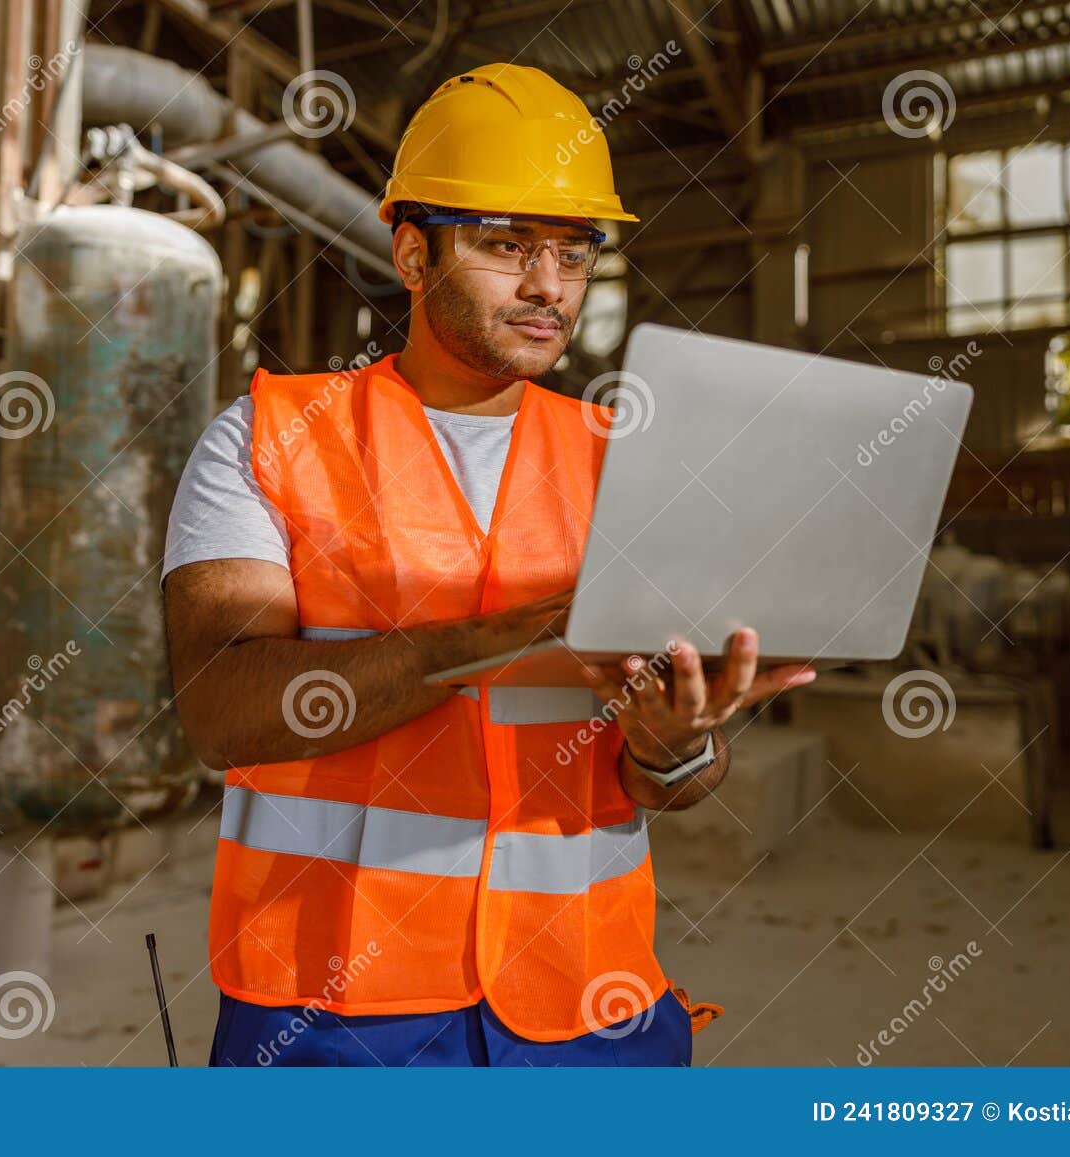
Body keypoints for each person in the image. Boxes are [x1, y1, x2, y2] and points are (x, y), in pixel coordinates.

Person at [162, 62, 816, 1067]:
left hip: (589, 1006)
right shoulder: (271, 438)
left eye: (573, 251)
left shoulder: (626, 462)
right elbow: (221, 710)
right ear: (412, 253)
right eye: (507, 244)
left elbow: (671, 779)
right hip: (334, 1016)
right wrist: (510, 635)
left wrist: (672, 743)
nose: (547, 285)